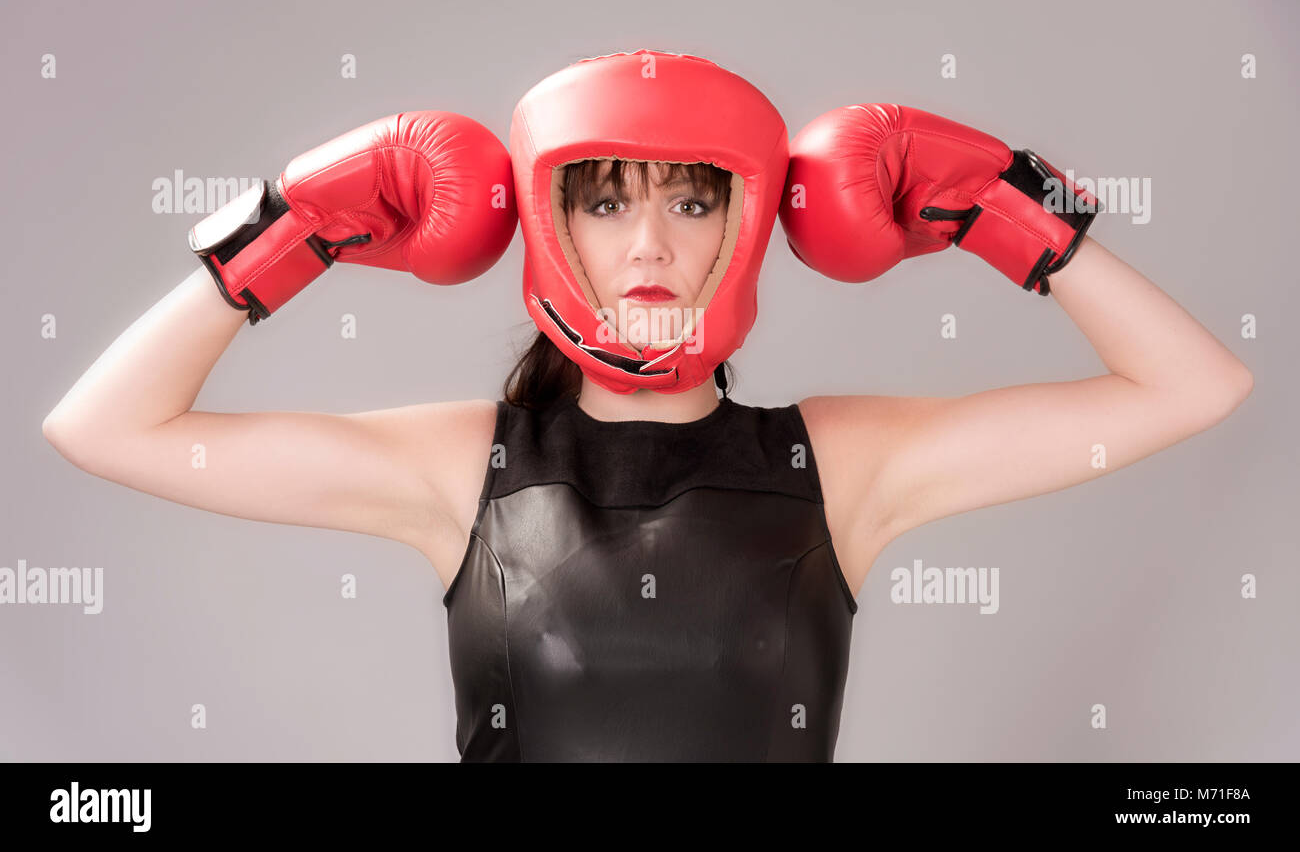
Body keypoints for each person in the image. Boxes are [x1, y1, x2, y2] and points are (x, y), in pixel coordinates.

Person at [41, 50, 1253, 763]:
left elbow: (1194, 384)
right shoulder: (470, 469)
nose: (652, 245)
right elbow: (104, 426)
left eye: (693, 201)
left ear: (748, 220)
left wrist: (1009, 206)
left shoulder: (832, 464)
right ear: (549, 222)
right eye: (607, 202)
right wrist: (289, 228)